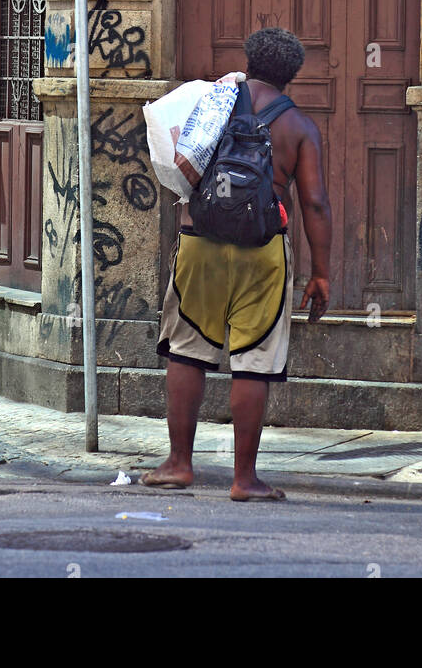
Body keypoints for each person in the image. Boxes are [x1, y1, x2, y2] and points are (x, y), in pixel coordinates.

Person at [143, 27, 332, 501]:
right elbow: (315, 204)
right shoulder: (300, 128)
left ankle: (178, 464)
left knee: (187, 349)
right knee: (254, 362)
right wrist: (321, 273)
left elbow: (172, 149)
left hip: (200, 241)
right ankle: (244, 479)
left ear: (248, 60)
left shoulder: (213, 100)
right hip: (263, 253)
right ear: (292, 76)